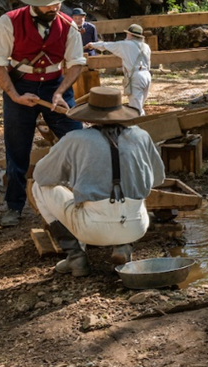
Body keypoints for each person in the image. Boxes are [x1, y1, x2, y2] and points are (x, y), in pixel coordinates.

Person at [0, 0, 86, 227]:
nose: (56, 6)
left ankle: (84, 198)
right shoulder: (8, 22)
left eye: (57, 1)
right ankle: (14, 206)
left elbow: (76, 64)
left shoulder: (68, 26)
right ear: (33, 3)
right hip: (21, 85)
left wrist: (60, 92)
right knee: (17, 150)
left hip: (56, 86)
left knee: (77, 140)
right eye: (48, 4)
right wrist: (15, 96)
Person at [31, 87, 166, 277]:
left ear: (88, 116)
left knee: (39, 187)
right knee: (135, 193)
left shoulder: (75, 138)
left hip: (92, 228)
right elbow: (158, 178)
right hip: (137, 226)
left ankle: (75, 256)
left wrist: (74, 177)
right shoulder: (141, 136)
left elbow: (41, 175)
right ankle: (124, 246)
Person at [85, 24, 152, 115]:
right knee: (140, 105)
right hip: (147, 75)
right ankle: (142, 122)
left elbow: (107, 45)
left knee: (135, 107)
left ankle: (136, 125)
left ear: (130, 35)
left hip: (136, 76)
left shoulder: (126, 45)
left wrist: (92, 45)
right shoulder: (146, 46)